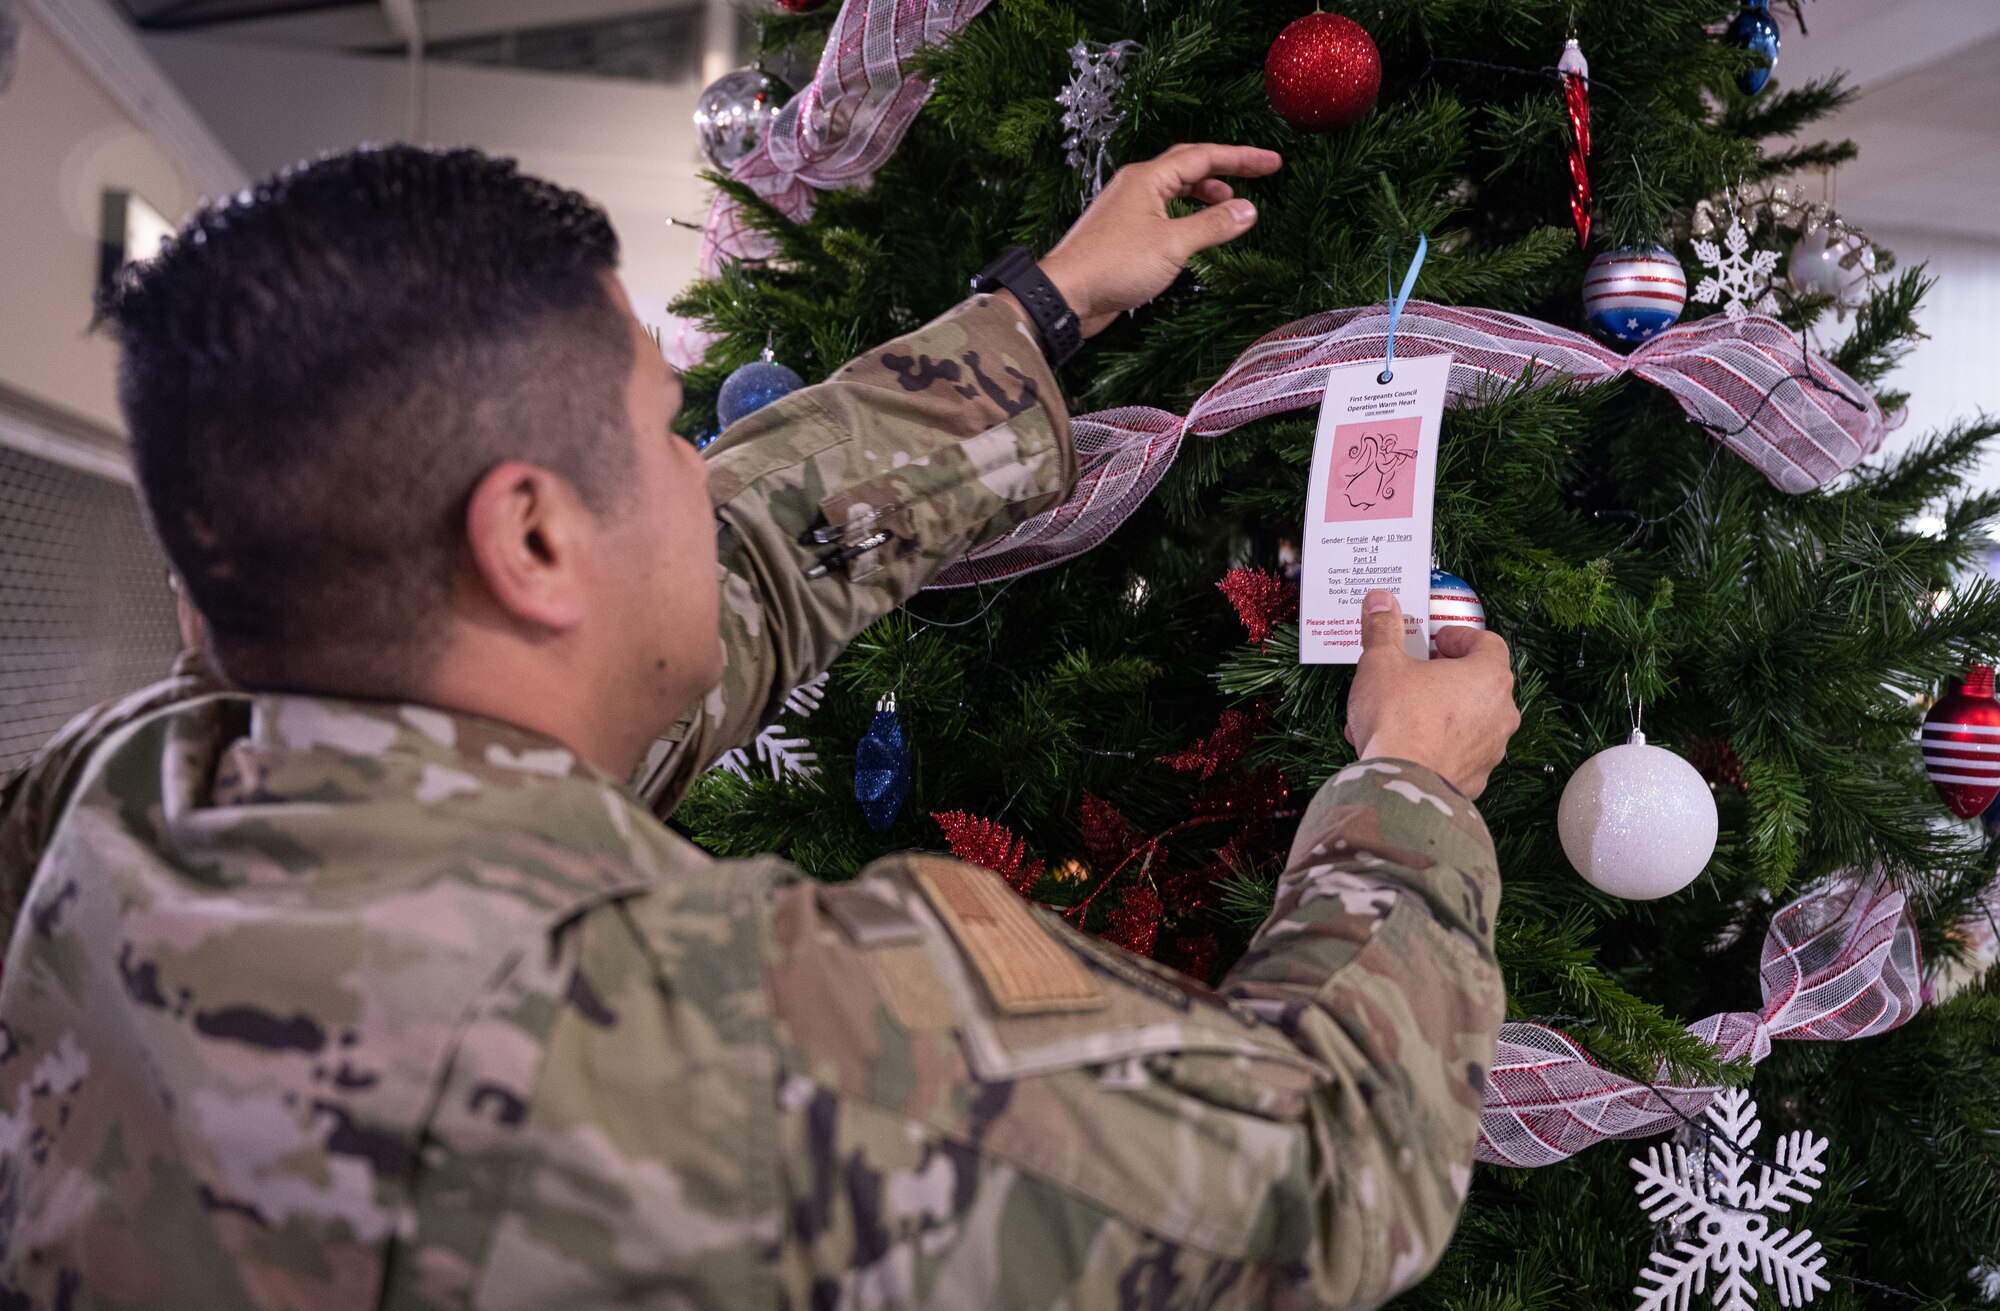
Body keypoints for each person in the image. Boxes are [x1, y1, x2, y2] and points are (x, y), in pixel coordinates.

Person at [0, 143, 1519, 1310]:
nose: (697, 468)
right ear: (529, 542)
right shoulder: (727, 1041)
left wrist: (1042, 311)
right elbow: (1325, 1181)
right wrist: (1410, 792)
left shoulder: (113, 798)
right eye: (669, 429)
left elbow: (720, 582)